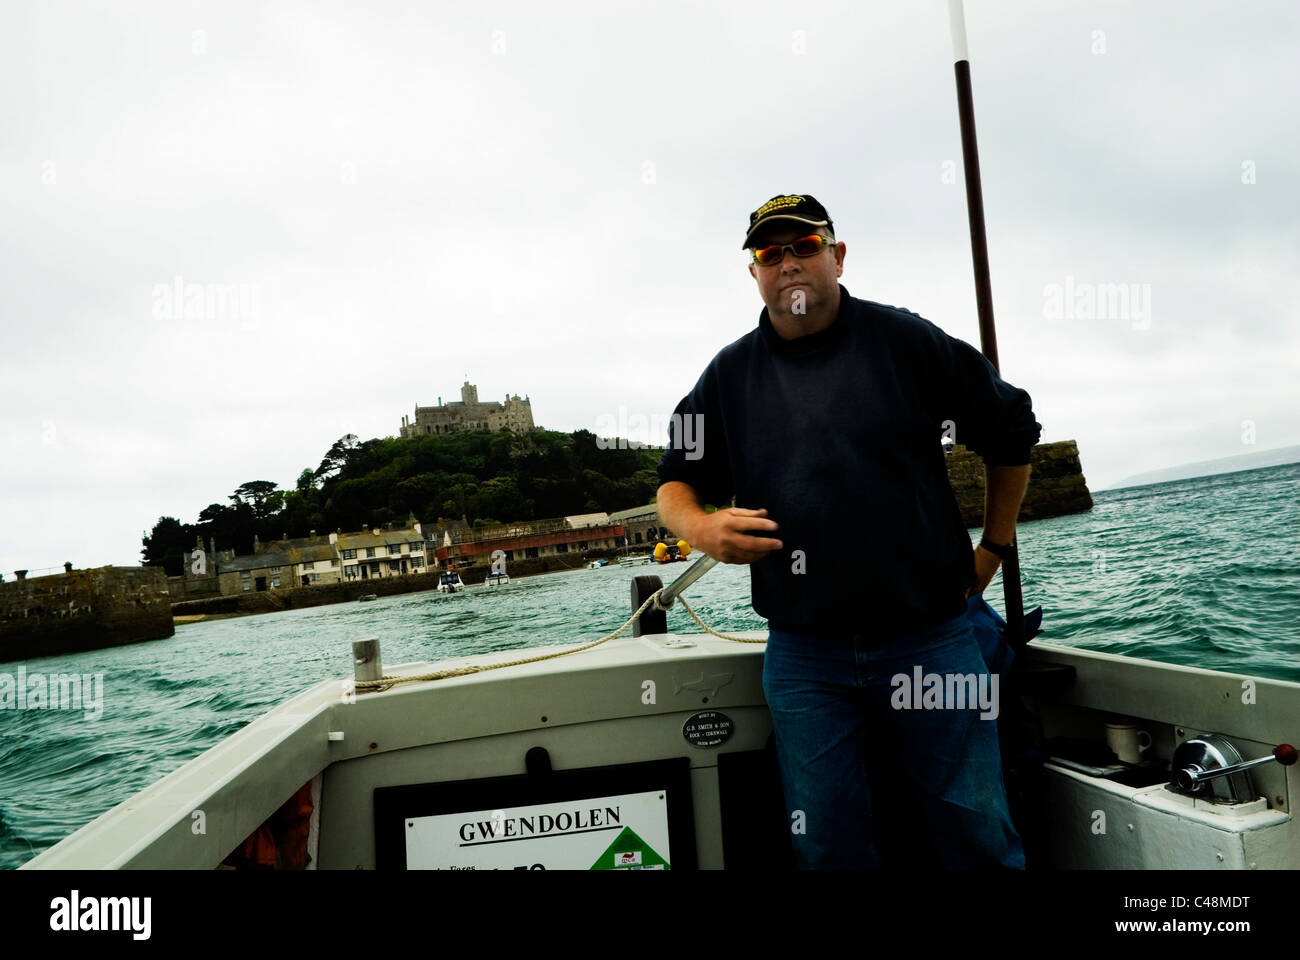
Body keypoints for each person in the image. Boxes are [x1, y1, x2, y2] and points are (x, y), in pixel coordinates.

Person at [655, 194, 1041, 868]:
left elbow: (1012, 432)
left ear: (837, 255)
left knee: (974, 827)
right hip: (806, 660)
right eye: (770, 254)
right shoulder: (729, 376)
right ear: (754, 274)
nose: (788, 262)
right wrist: (701, 526)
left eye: (804, 245)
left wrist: (994, 548)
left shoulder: (907, 342)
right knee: (826, 843)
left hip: (934, 636)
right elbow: (673, 481)